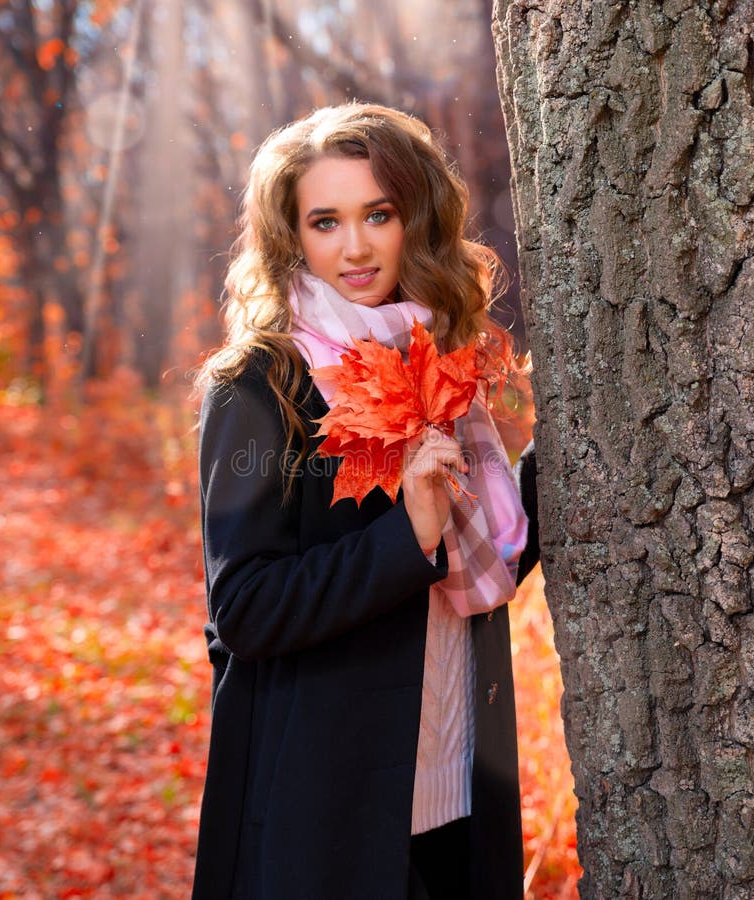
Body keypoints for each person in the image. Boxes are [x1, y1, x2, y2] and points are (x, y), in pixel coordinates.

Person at [192, 103, 538, 900]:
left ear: (414, 216)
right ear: (293, 236)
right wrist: (408, 540)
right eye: (325, 221)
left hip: (459, 784)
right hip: (332, 806)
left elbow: (488, 557)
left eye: (377, 213)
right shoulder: (260, 386)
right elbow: (243, 607)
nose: (354, 247)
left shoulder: (441, 362)